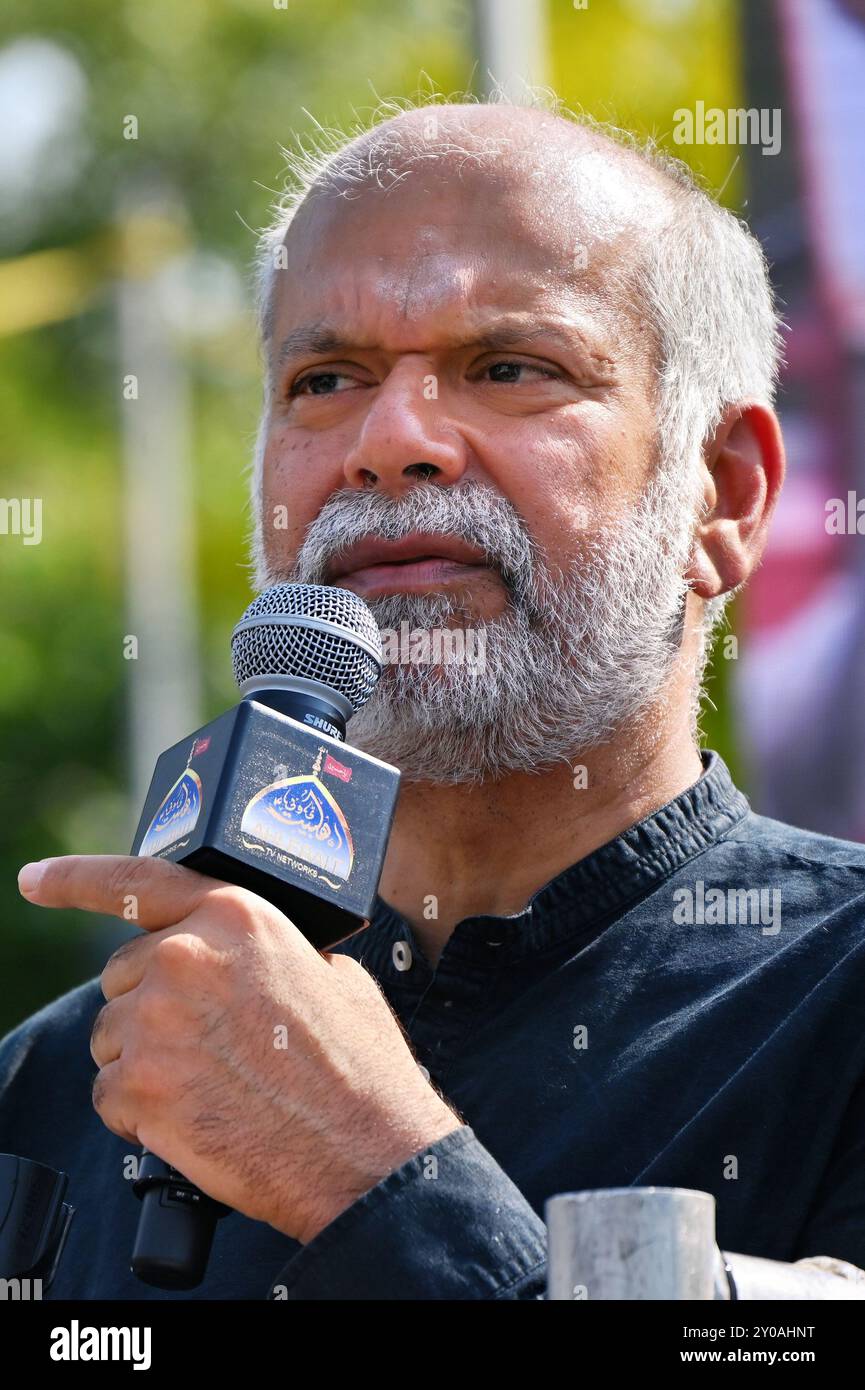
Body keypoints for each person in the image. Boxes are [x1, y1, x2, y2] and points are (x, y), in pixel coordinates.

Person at [3, 94, 864, 1301]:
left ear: (720, 498)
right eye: (325, 377)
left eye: (509, 366)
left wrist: (375, 1179)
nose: (389, 439)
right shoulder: (49, 1089)